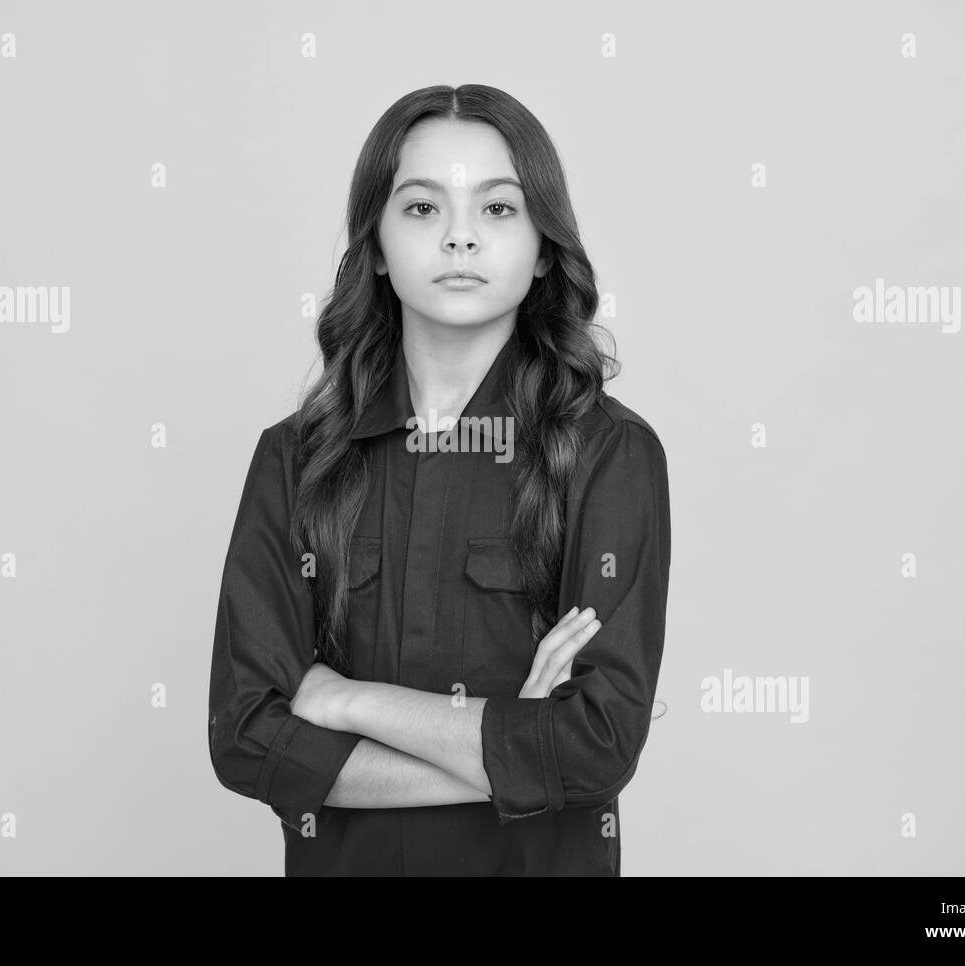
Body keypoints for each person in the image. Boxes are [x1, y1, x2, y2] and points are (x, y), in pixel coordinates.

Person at [208, 83, 671, 875]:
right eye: (422, 208)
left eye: (498, 209)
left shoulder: (611, 458)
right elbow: (247, 739)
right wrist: (512, 745)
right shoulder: (292, 461)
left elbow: (596, 746)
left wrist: (344, 701)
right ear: (379, 249)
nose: (461, 238)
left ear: (542, 247)